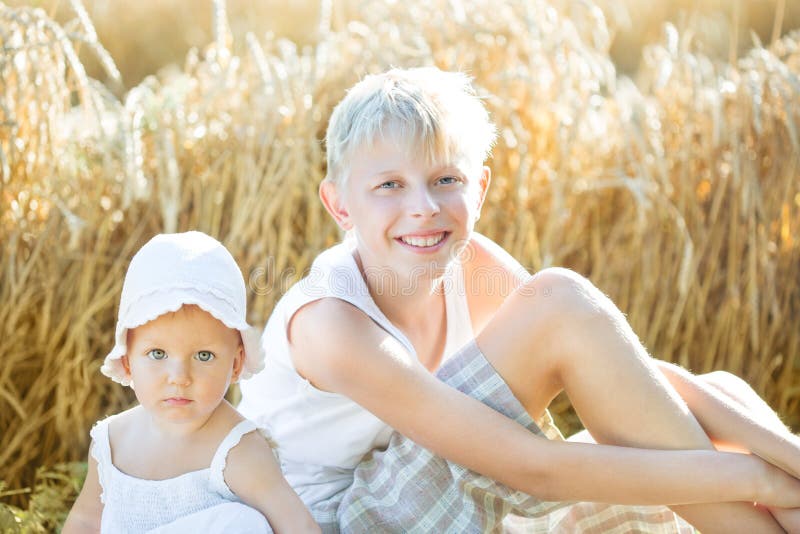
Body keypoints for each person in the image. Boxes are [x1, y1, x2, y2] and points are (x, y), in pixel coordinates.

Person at [238, 67, 800, 533]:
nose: (424, 207)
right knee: (560, 299)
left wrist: (787, 463)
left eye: (444, 180)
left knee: (724, 392)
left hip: (436, 496)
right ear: (339, 205)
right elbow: (539, 471)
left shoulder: (470, 263)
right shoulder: (332, 323)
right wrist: (756, 478)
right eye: (389, 185)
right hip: (341, 519)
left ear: (478, 190)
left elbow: (620, 365)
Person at [64, 232, 320, 534]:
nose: (180, 377)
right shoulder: (112, 442)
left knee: (243, 524)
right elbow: (86, 520)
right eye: (157, 353)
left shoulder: (238, 451)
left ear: (235, 364)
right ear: (128, 361)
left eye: (203, 355)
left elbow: (298, 526)